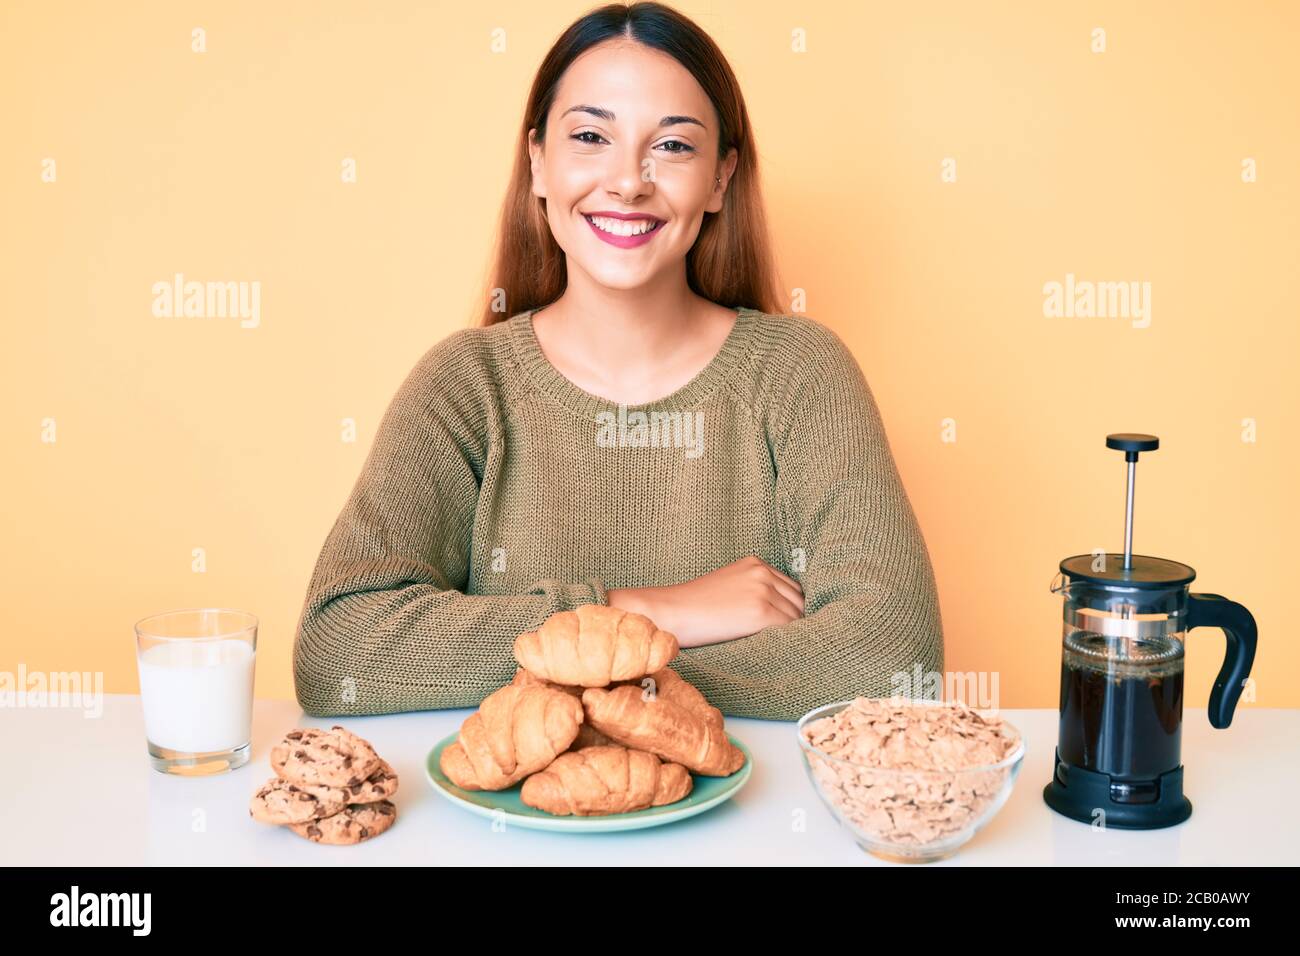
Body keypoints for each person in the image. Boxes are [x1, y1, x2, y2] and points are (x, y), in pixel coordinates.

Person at [293, 2, 944, 721]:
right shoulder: (465, 386)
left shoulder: (801, 373)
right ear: (538, 162)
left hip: (752, 831)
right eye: (591, 137)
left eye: (672, 147)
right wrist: (647, 614)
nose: (628, 181)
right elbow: (336, 652)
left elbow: (895, 660)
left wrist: (576, 679)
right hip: (513, 832)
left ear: (721, 179)